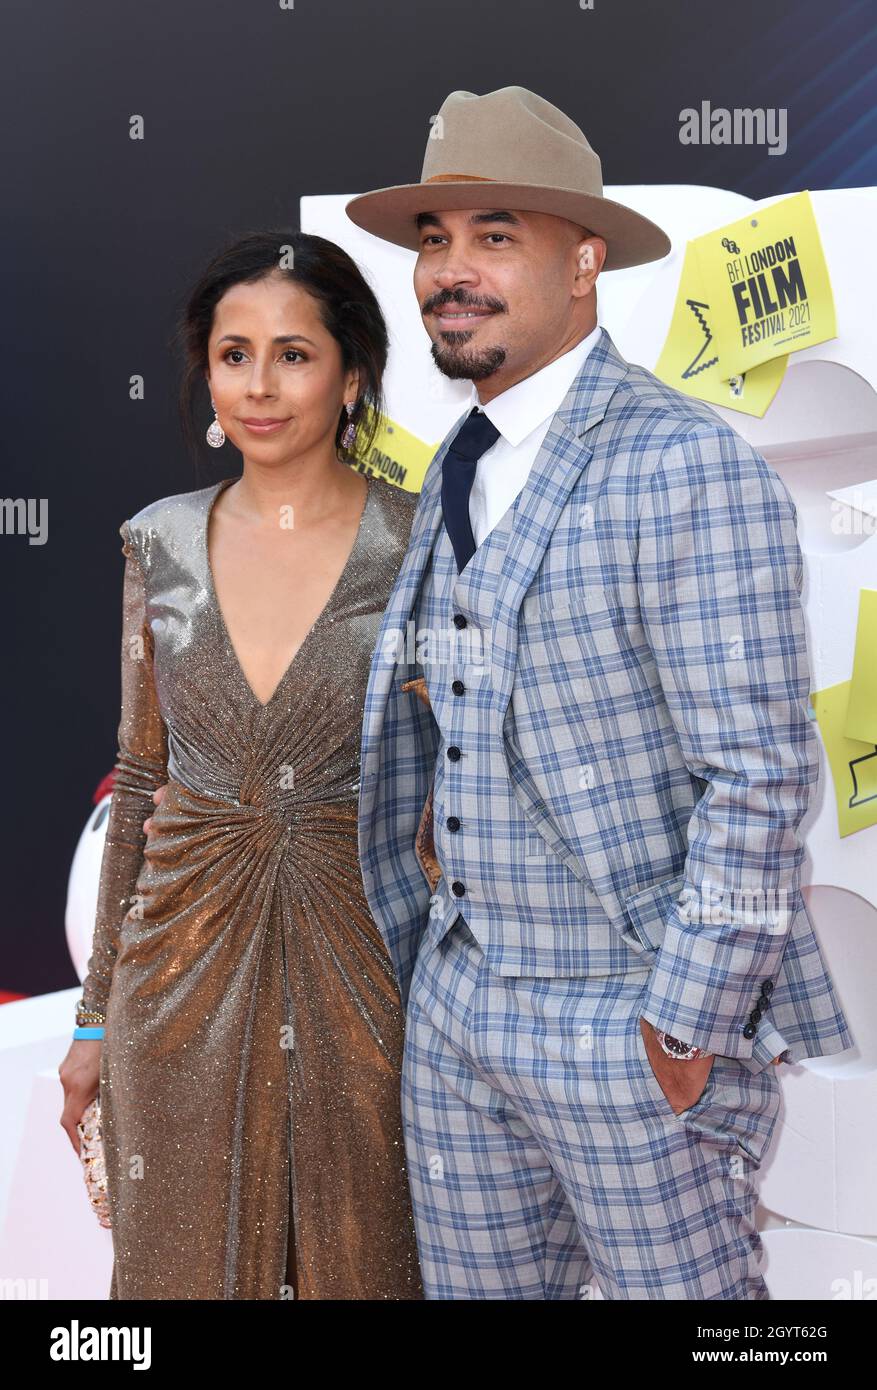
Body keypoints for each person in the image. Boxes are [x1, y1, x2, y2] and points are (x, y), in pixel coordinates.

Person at [348, 86, 854, 1299]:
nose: (448, 272)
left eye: (493, 235)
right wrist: (433, 980)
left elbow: (762, 773)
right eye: (433, 239)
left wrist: (682, 1022)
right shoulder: (455, 465)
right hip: (459, 1004)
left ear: (583, 261)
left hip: (625, 1013)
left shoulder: (684, 461)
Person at [58, 230, 423, 1300]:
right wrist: (91, 1019)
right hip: (173, 992)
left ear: (353, 373)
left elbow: (459, 794)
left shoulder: (422, 545)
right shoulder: (157, 543)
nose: (260, 386)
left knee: (370, 1271)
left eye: (294, 355)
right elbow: (136, 784)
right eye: (234, 354)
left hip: (368, 988)